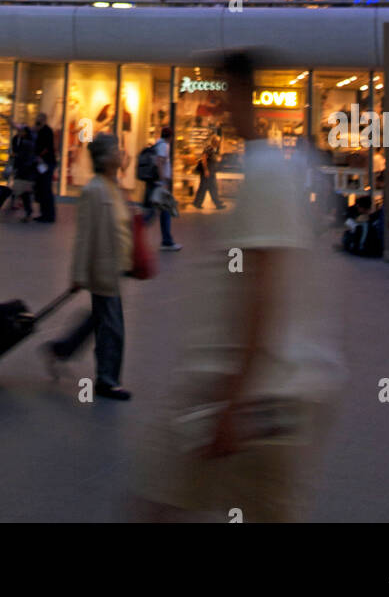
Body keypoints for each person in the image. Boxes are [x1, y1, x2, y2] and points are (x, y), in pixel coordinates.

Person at [132, 51, 345, 522]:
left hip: (252, 395)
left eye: (219, 91)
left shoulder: (268, 170)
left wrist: (233, 402)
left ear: (238, 92)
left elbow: (264, 291)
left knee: (161, 507)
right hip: (259, 392)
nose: (215, 106)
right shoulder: (281, 166)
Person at [43, 134, 133, 400]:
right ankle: (107, 380)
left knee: (102, 318)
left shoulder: (112, 187)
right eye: (116, 150)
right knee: (112, 326)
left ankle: (63, 349)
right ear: (105, 159)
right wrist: (78, 274)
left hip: (113, 267)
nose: (121, 154)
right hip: (102, 270)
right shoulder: (94, 190)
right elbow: (85, 236)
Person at [142, 124, 181, 250]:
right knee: (153, 212)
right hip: (159, 184)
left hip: (156, 183)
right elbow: (160, 162)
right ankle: (133, 232)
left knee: (163, 211)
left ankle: (167, 241)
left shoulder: (158, 143)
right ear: (170, 136)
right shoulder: (164, 146)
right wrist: (163, 182)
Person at [193, 126, 225, 211]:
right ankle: (217, 203)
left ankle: (198, 203)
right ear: (215, 142)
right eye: (218, 142)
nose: (219, 144)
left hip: (210, 172)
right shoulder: (209, 148)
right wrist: (206, 170)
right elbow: (204, 159)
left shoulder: (213, 149)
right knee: (208, 187)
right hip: (207, 172)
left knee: (208, 188)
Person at [10, 123, 37, 220]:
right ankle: (26, 210)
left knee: (21, 189)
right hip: (26, 170)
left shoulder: (26, 143)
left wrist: (16, 161)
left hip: (24, 170)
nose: (19, 133)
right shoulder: (23, 140)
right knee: (24, 190)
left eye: (21, 131)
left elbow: (21, 156)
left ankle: (27, 210)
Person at [33, 112, 57, 222]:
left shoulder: (47, 131)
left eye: (39, 119)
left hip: (47, 163)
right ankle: (44, 214)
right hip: (42, 163)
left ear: (43, 120)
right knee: (42, 188)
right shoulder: (39, 131)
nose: (37, 121)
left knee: (46, 188)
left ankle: (49, 215)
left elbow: (46, 147)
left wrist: (39, 156)